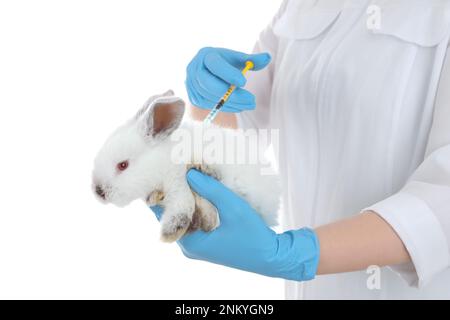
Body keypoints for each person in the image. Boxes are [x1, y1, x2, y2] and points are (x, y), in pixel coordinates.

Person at [152, 0, 450, 299]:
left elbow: (440, 204)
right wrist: (210, 100)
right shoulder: (301, 7)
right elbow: (239, 137)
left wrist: (295, 253)